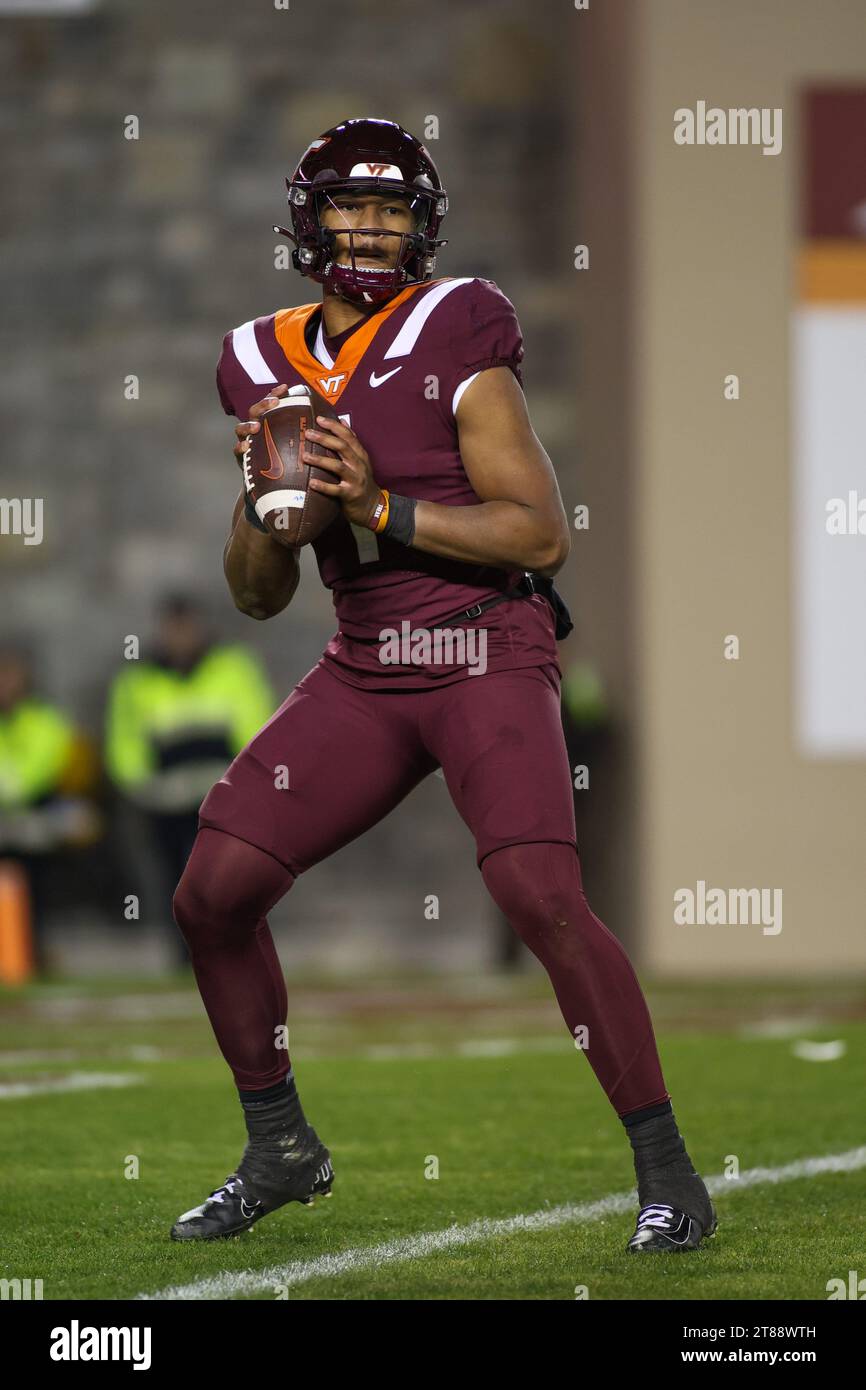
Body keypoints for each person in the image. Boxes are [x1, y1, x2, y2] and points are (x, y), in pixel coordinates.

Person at [170, 118, 716, 1254]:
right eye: (347, 209)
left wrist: (379, 510)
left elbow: (538, 533)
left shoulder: (454, 325)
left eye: (389, 211)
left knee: (536, 897)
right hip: (363, 664)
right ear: (305, 220)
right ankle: (279, 1144)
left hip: (480, 645)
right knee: (209, 893)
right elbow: (259, 597)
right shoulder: (256, 358)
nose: (367, 229)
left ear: (422, 228)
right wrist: (265, 509)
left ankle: (667, 1172)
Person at [105, 594, 275, 965]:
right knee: (175, 878)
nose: (181, 637)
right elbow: (125, 744)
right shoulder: (137, 679)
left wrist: (232, 781)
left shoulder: (233, 666)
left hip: (225, 801)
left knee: (230, 879)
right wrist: (150, 788)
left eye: (187, 627)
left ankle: (231, 951)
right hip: (166, 804)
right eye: (174, 628)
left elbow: (257, 725)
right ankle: (185, 957)